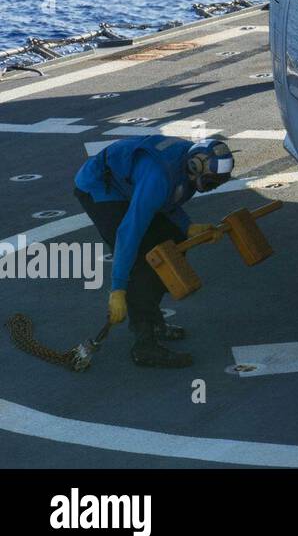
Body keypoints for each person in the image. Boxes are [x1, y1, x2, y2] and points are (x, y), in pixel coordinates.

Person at [73, 135, 234, 368]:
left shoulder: (186, 164)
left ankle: (153, 320)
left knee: (172, 241)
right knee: (142, 260)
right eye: (209, 182)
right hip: (101, 188)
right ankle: (144, 344)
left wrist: (186, 226)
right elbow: (128, 233)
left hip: (132, 185)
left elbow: (171, 196)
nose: (209, 188)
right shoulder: (159, 175)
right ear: (195, 165)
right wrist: (117, 289)